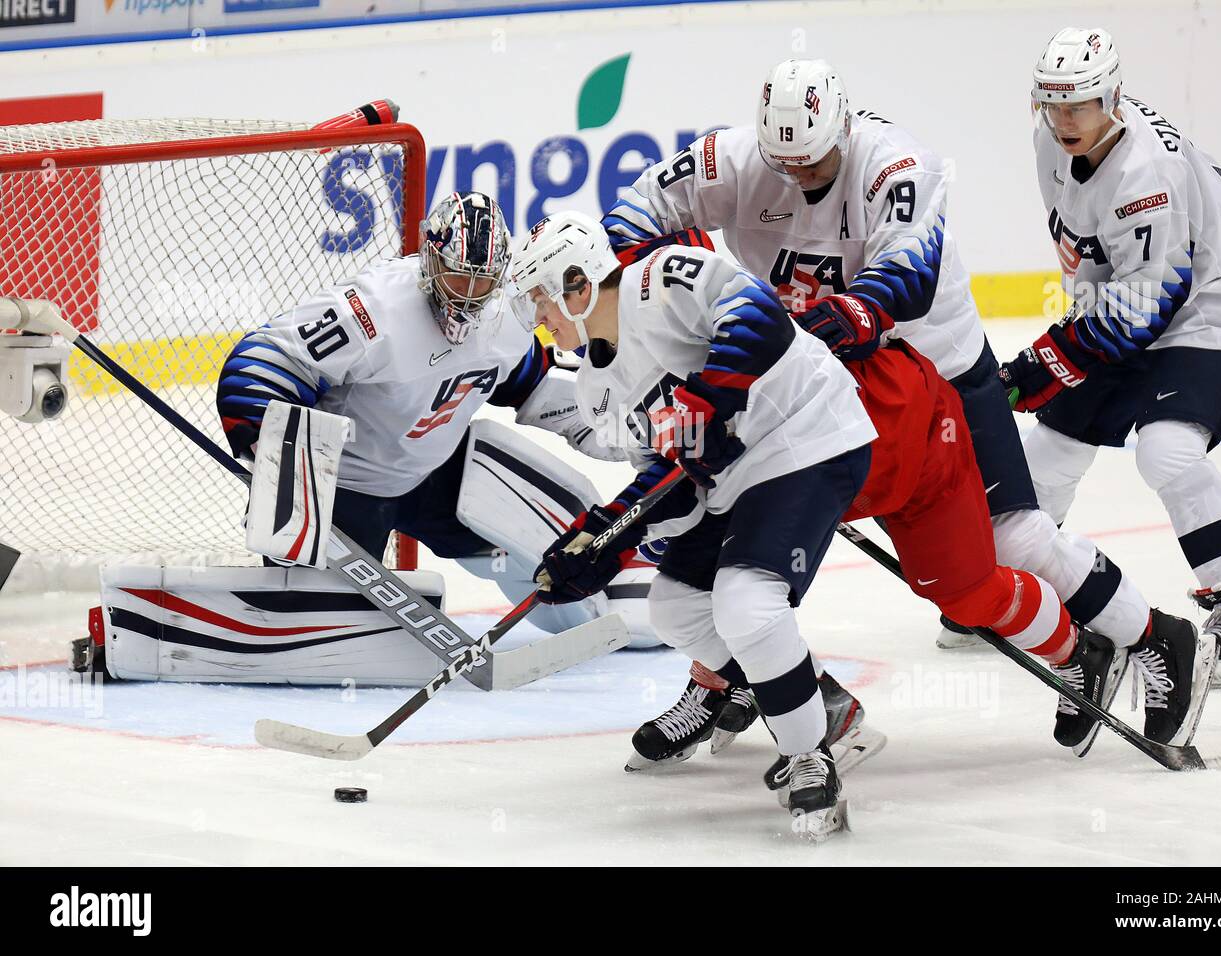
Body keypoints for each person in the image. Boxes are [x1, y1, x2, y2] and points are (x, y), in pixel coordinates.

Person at [602, 56, 1161, 725]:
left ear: (843, 128)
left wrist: (853, 314)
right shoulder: (738, 158)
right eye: (785, 164)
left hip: (935, 375)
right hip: (814, 384)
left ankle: (1137, 643)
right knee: (727, 526)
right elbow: (633, 217)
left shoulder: (897, 164)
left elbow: (911, 268)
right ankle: (727, 676)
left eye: (812, 162)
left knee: (1017, 541)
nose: (798, 176)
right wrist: (685, 286)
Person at [510, 210, 874, 837]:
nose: (538, 317)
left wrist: (709, 400)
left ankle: (810, 754)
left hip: (805, 436)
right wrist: (602, 539)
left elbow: (757, 318)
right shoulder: (598, 385)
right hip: (736, 478)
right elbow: (669, 484)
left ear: (577, 284)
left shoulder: (662, 279)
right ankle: (812, 699)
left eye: (541, 298)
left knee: (746, 604)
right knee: (676, 607)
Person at [209, 191, 658, 679]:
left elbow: (537, 388)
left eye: (482, 280)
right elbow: (260, 362)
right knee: (322, 643)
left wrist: (643, 440)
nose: (468, 294)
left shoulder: (512, 307)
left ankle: (637, 595)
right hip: (345, 490)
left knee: (568, 567)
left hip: (439, 476)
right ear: (429, 257)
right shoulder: (375, 308)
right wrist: (277, 459)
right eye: (457, 275)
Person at [999, 27, 1221, 689]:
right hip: (1125, 298)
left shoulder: (1145, 173)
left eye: (1079, 105)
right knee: (1050, 453)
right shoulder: (1051, 138)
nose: (1064, 120)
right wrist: (1064, 351)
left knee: (1167, 451)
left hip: (1205, 306)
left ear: (1112, 97)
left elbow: (1154, 301)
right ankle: (1030, 589)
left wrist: (1042, 364)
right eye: (1052, 103)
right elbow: (1095, 260)